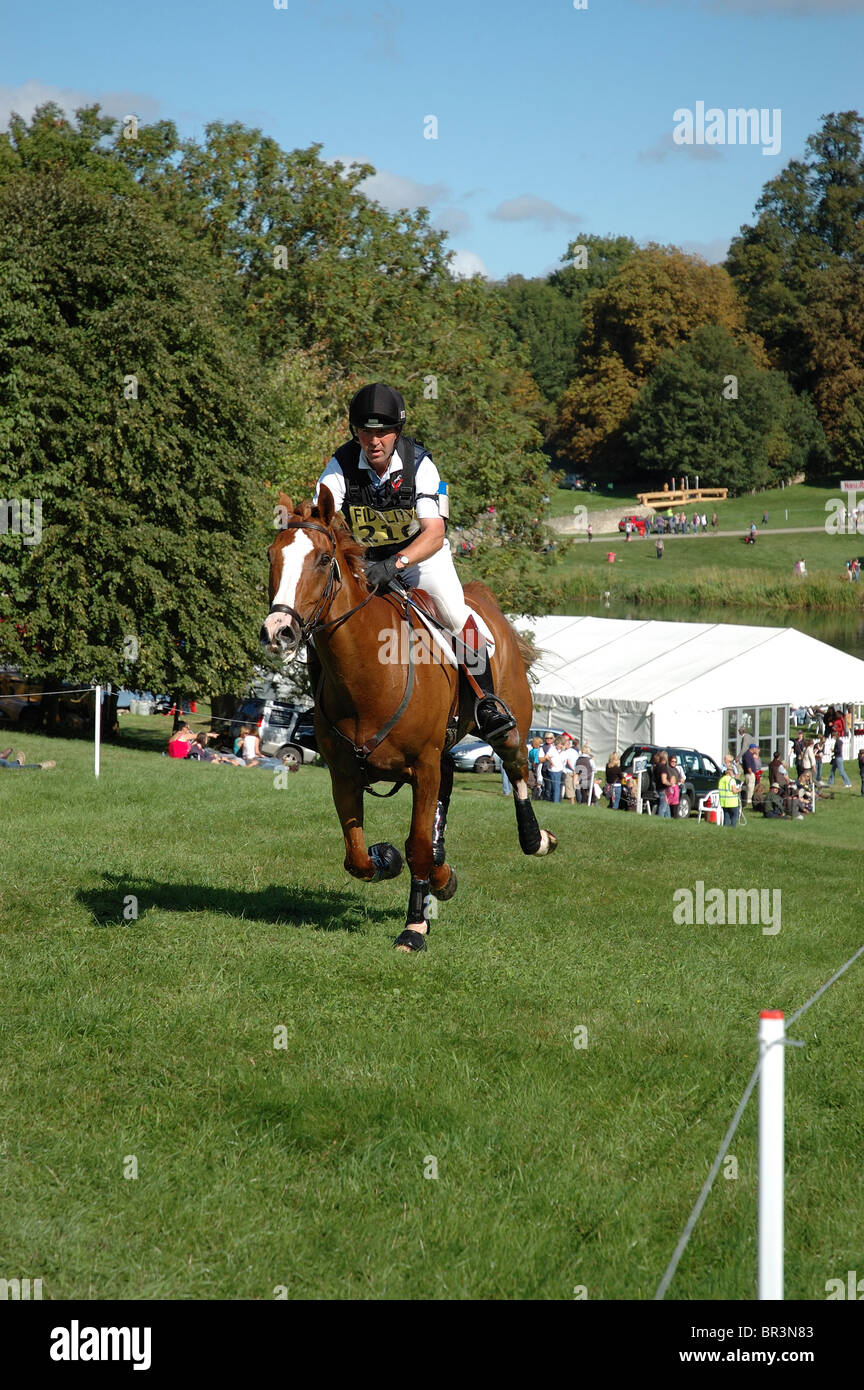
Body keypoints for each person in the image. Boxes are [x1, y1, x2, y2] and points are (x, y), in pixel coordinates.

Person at [314, 383, 516, 742]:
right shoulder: (340, 464)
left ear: (397, 433)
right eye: (365, 432)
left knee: (453, 615)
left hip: (420, 557)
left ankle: (487, 702)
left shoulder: (420, 466)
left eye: (382, 432)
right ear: (355, 432)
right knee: (323, 623)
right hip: (367, 561)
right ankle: (321, 703)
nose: (373, 441)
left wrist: (396, 563)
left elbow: (434, 533)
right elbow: (319, 515)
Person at [539, 731, 565, 803]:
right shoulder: (544, 748)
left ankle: (557, 800)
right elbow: (541, 759)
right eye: (547, 738)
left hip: (559, 769)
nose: (549, 739)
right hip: (547, 769)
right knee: (550, 787)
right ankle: (551, 801)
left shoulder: (557, 747)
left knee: (557, 786)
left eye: (550, 738)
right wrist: (550, 762)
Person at [718, 758, 742, 827]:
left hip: (724, 802)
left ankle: (725, 827)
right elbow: (734, 791)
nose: (734, 773)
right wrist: (739, 790)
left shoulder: (721, 780)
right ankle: (733, 827)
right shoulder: (731, 780)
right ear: (730, 772)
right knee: (734, 816)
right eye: (733, 771)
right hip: (732, 802)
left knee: (726, 815)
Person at [741, 741, 761, 807]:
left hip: (751, 773)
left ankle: (748, 798)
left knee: (751, 786)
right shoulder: (748, 754)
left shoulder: (750, 754)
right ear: (752, 748)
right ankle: (748, 799)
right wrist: (751, 772)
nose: (756, 749)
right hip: (749, 773)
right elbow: (748, 764)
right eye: (755, 748)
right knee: (750, 786)